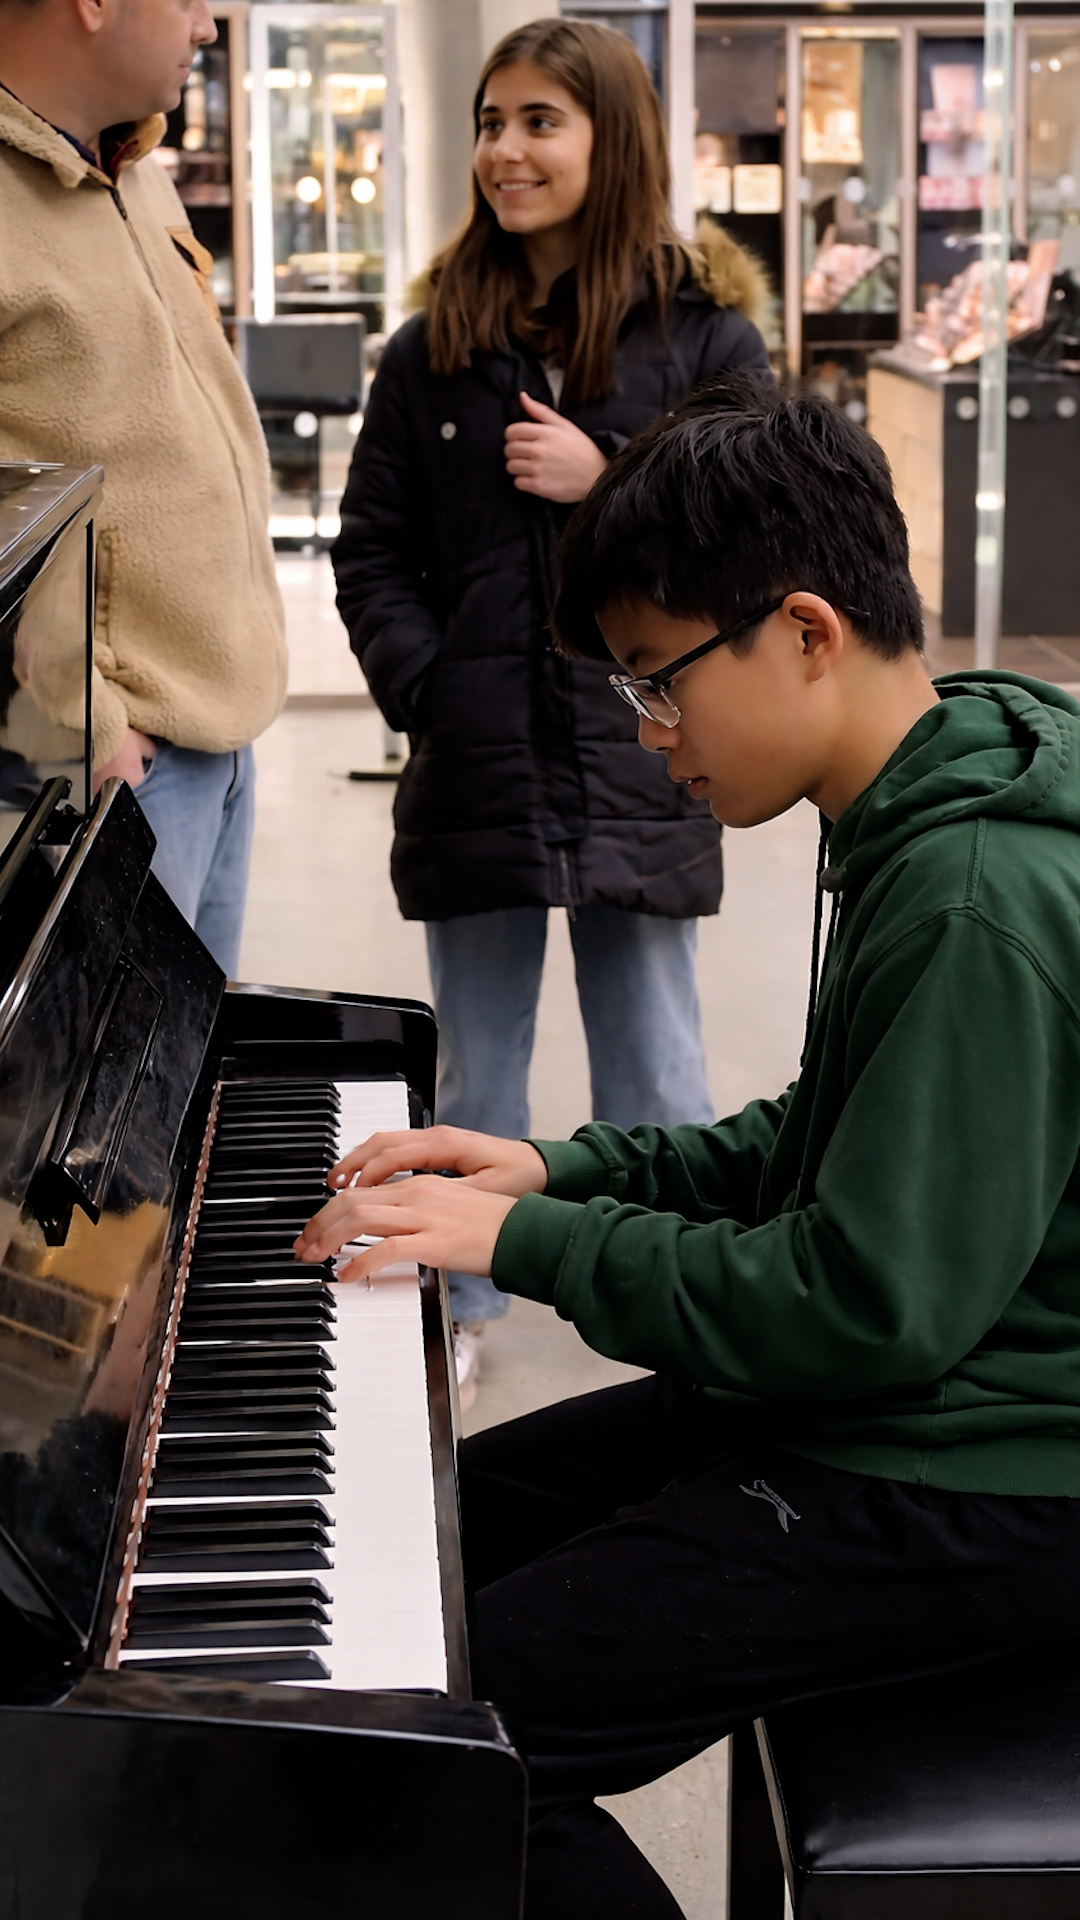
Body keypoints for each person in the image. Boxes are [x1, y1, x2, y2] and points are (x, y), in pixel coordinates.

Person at [299, 375, 1080, 1917]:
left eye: (658, 682)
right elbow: (830, 1136)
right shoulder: (931, 790)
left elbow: (857, 1304)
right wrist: (562, 1171)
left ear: (802, 630)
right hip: (901, 1399)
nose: (651, 737)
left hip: (984, 1469)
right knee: (425, 1535)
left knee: (413, 1757)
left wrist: (529, 1249)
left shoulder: (975, 896)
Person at [332, 17, 771, 1402]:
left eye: (540, 121)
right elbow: (372, 549)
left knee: (655, 1054)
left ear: (611, 137)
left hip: (651, 750)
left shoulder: (705, 335)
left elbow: (766, 526)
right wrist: (428, 689)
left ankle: (684, 1308)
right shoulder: (430, 350)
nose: (505, 151)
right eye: (490, 121)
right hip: (477, 759)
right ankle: (456, 1307)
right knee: (478, 1061)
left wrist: (618, 470)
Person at [0, 0, 286, 975]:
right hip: (107, 766)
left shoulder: (136, 174)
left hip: (210, 740)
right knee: (116, 1114)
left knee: (191, 1090)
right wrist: (90, 728)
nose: (207, 26)